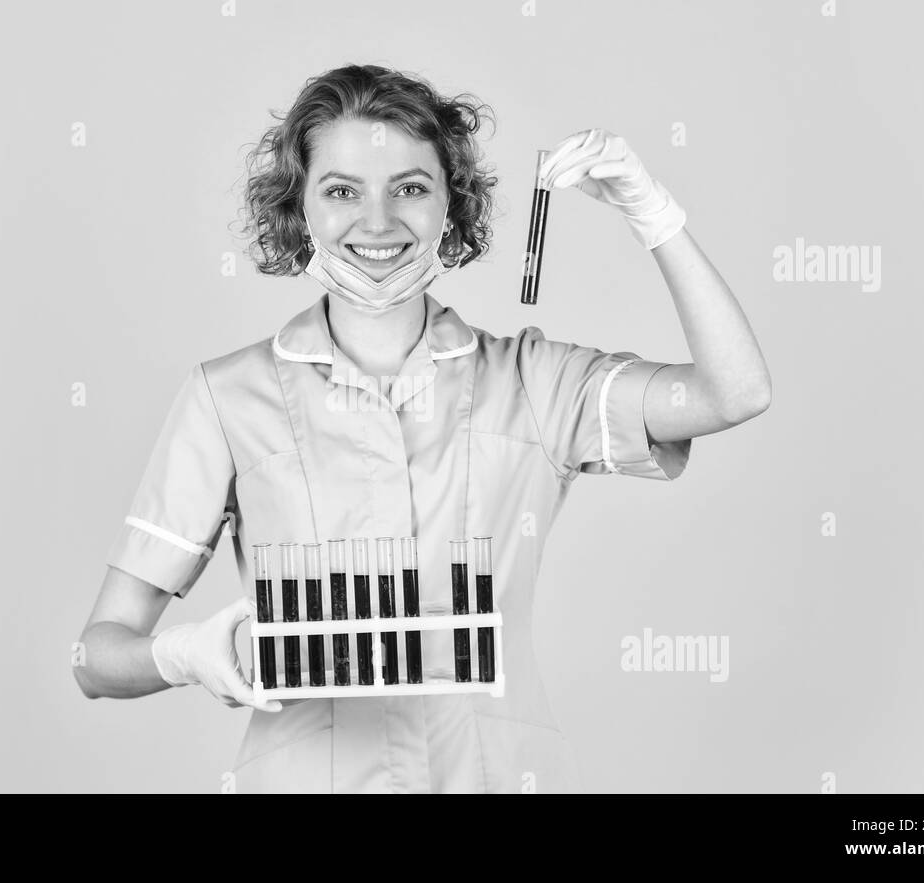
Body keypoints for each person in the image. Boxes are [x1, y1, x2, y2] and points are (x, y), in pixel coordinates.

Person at [73, 64, 771, 793]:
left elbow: (736, 390)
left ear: (451, 206)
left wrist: (652, 214)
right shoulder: (226, 398)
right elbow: (96, 656)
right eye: (342, 190)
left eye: (410, 187)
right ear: (298, 208)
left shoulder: (531, 383)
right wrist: (185, 654)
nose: (377, 221)